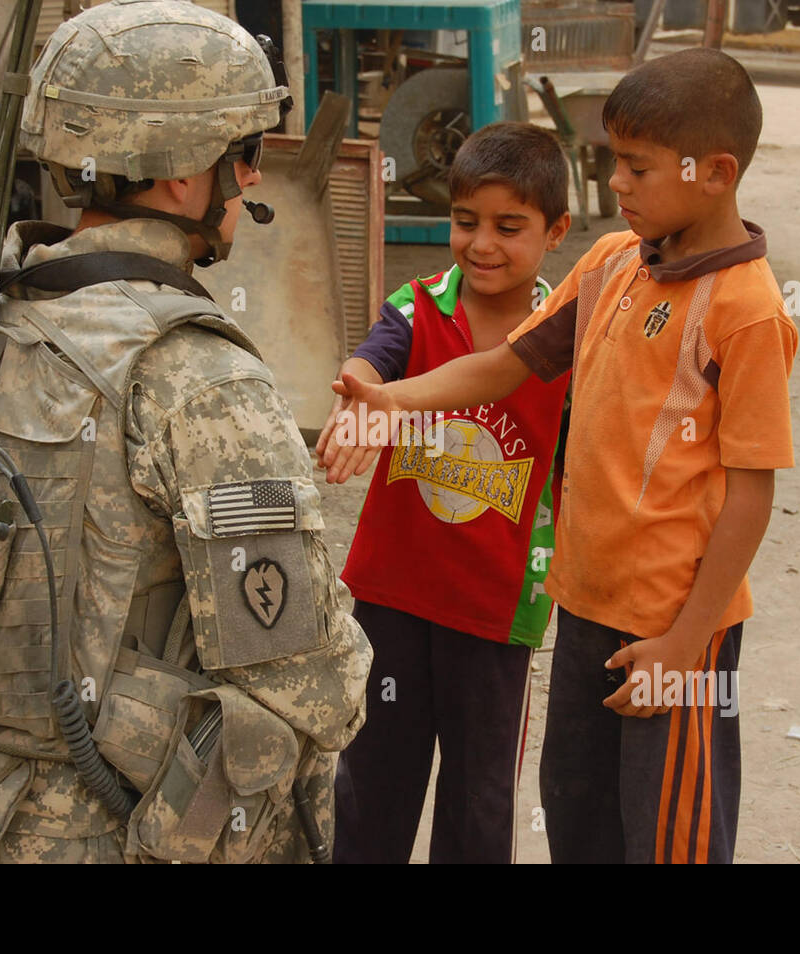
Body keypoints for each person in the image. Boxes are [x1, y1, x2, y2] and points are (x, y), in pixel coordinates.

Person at [0, 0, 371, 864]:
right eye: (243, 156)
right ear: (179, 177)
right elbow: (296, 674)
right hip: (118, 823)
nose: (253, 183)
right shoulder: (198, 376)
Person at [323, 48, 798, 864]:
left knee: (669, 838)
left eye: (638, 169)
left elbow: (752, 495)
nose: (616, 183)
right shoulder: (613, 262)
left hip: (671, 629)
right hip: (580, 606)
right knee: (579, 821)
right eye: (616, 162)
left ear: (715, 173)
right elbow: (506, 365)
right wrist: (388, 398)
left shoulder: (748, 313)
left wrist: (683, 648)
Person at [319, 122, 571, 864]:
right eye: (466, 222)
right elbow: (369, 364)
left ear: (555, 232)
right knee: (372, 784)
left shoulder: (566, 336)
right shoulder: (416, 305)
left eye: (509, 227)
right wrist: (357, 402)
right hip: (392, 596)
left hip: (497, 612)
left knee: (478, 802)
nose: (482, 244)